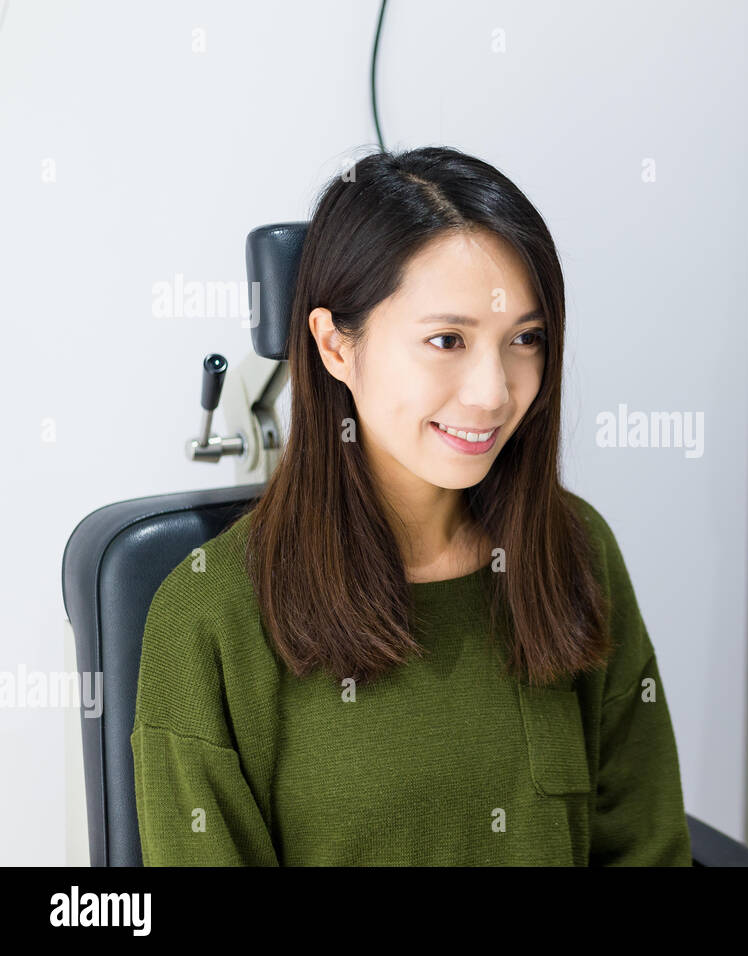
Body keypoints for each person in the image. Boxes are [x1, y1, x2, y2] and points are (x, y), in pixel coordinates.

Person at [130, 146, 693, 866]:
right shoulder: (208, 620)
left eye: (525, 339)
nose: (493, 391)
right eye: (447, 340)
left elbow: (648, 849)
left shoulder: (573, 549)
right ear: (336, 345)